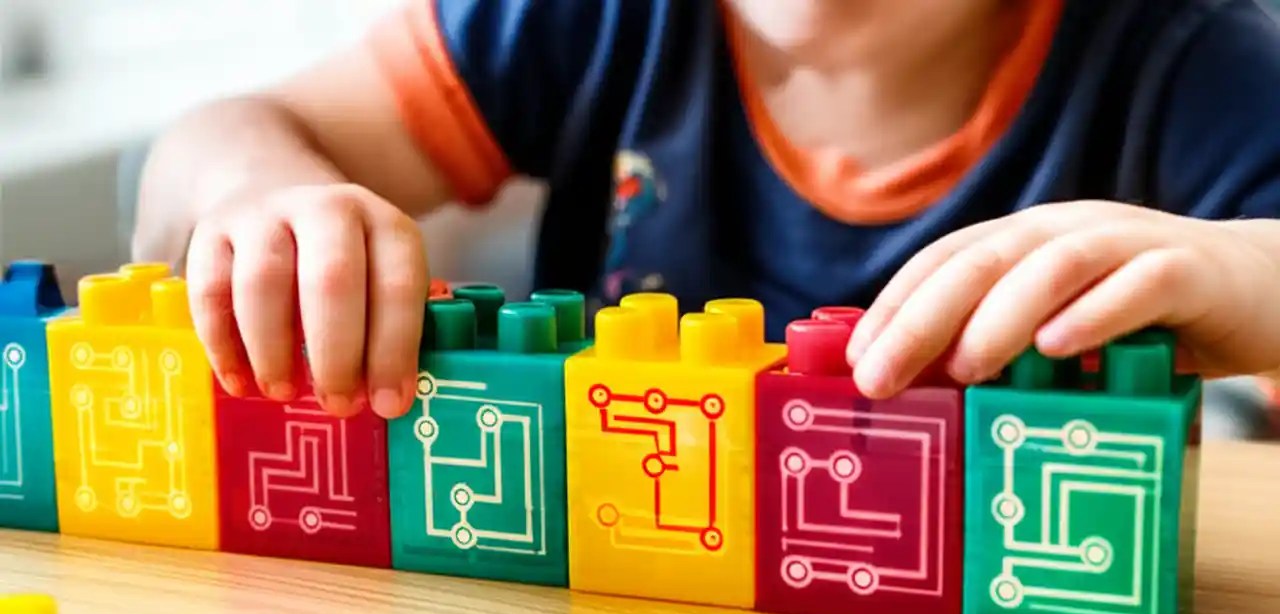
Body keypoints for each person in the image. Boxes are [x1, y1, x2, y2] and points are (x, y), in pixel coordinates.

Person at [132, 0, 1280, 420]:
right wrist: (251, 194)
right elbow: (216, 139)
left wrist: (1246, 281)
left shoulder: (1192, 62)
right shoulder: (585, 20)